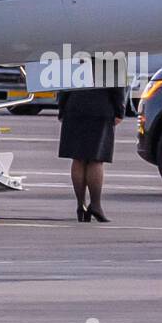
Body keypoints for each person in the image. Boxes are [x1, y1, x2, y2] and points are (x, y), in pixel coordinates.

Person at [57, 86, 125, 222]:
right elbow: (116, 79)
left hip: (74, 104)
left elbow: (64, 79)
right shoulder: (108, 62)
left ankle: (80, 204)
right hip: (101, 106)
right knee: (95, 159)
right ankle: (95, 204)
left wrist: (62, 107)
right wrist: (119, 110)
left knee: (78, 158)